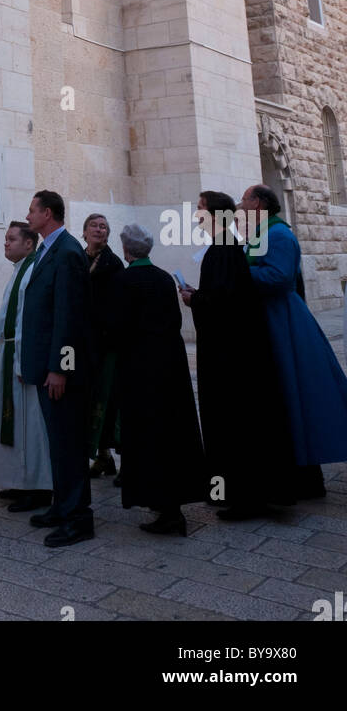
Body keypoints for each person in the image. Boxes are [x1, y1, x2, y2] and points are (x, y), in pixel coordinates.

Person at [179, 191, 295, 519]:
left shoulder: (224, 249)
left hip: (230, 357)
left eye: (199, 209)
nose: (195, 216)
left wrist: (195, 301)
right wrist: (201, 297)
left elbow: (226, 303)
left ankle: (243, 499)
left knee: (235, 427)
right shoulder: (226, 247)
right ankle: (227, 493)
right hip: (229, 352)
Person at [239, 184, 347, 497]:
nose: (241, 205)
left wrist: (234, 274)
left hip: (283, 321)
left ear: (258, 202)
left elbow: (279, 276)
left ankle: (307, 477)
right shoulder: (262, 234)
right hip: (269, 319)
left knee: (295, 391)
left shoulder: (279, 234)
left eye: (245, 200)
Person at [108, 224, 206, 536]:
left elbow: (118, 327)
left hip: (139, 369)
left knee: (148, 436)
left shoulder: (123, 281)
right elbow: (175, 321)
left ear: (126, 251)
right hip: (170, 365)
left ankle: (163, 506)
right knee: (171, 434)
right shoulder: (164, 278)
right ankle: (172, 504)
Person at [21, 190, 95, 548]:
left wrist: (60, 369)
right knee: (57, 441)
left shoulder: (66, 253)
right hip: (45, 363)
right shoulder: (48, 249)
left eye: (32, 210)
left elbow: (69, 316)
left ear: (47, 213)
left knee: (68, 443)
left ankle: (78, 517)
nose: (28, 215)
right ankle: (62, 505)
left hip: (61, 370)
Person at [0, 220, 52, 512]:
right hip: (8, 352)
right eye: (5, 239)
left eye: (11, 239)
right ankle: (17, 480)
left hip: (21, 357)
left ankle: (37, 487)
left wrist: (24, 361)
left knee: (29, 425)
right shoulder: (19, 270)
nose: (6, 243)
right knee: (12, 422)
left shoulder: (33, 270)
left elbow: (30, 319)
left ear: (28, 243)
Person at [82, 213, 124, 479]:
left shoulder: (113, 263)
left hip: (108, 342)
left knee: (111, 403)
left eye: (104, 227)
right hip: (85, 344)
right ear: (84, 232)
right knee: (90, 400)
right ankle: (103, 457)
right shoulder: (77, 258)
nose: (99, 230)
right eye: (94, 226)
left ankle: (124, 460)